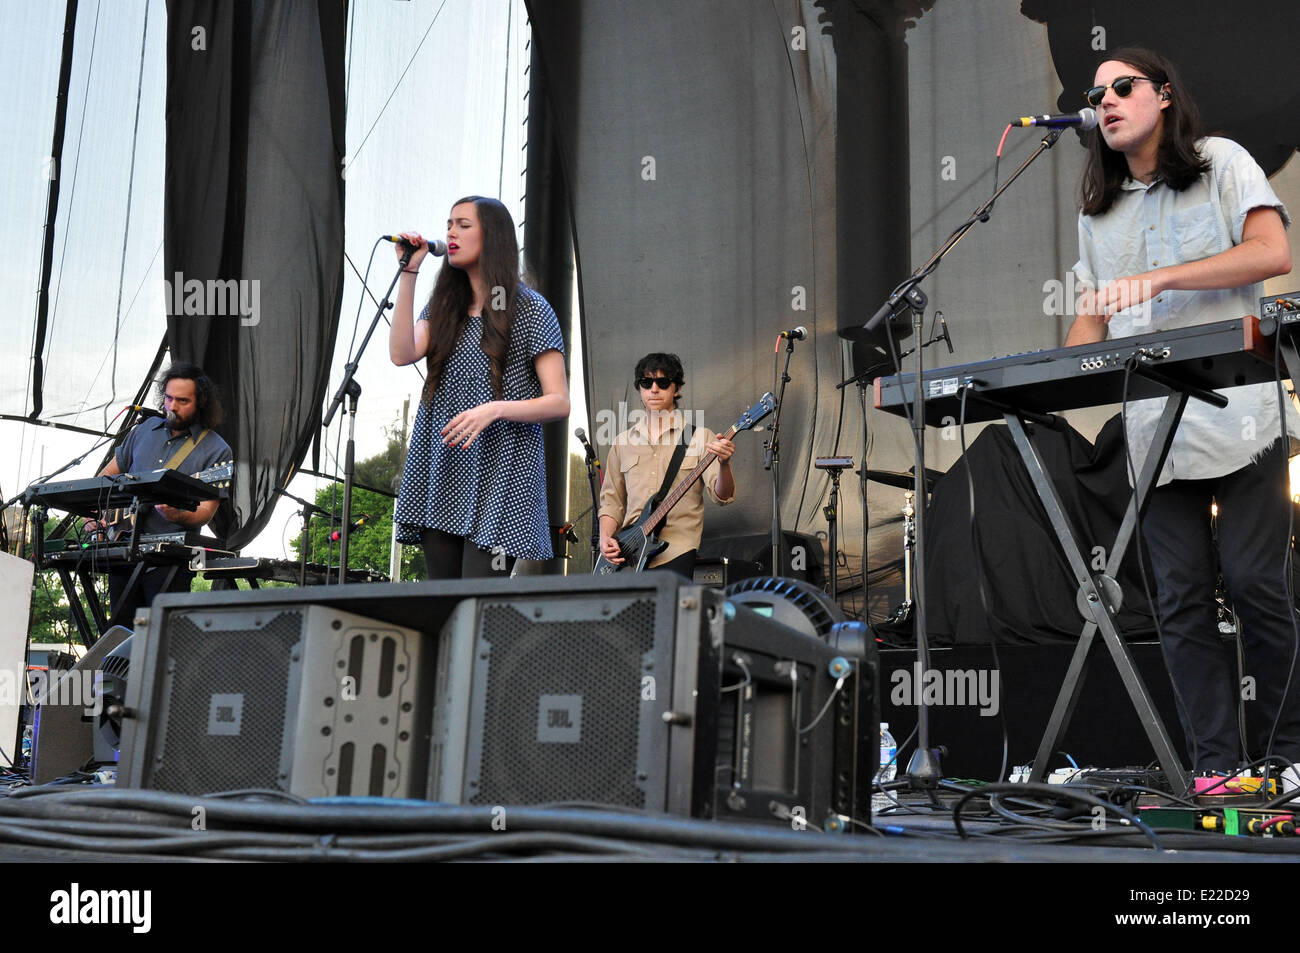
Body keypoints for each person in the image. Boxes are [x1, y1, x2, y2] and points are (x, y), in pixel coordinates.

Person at [1063, 48, 1299, 784]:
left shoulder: (1221, 162)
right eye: (1096, 93)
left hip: (1245, 420)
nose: (1106, 101)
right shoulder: (1095, 216)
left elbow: (1274, 251)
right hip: (1156, 438)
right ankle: (1216, 770)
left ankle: (1290, 759)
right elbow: (1087, 324)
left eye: (1122, 86)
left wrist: (1160, 278)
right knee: (1182, 603)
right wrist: (1053, 368)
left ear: (1163, 97)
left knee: (1258, 584)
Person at [390, 196, 570, 579]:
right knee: (441, 598)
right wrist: (409, 272)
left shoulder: (531, 308)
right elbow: (401, 353)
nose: (451, 232)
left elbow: (559, 402)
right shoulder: (443, 306)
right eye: (448, 224)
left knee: (477, 597)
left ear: (493, 237)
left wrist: (495, 408)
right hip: (444, 467)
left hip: (502, 472)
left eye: (463, 224)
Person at [84, 362, 232, 625]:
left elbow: (206, 512)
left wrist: (178, 514)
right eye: (168, 398)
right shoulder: (142, 431)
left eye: (183, 400)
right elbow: (104, 478)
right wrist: (92, 513)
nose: (172, 406)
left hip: (169, 562)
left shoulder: (217, 451)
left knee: (163, 640)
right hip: (122, 549)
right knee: (118, 637)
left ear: (201, 403)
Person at [598, 353, 735, 577]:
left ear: (676, 389)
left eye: (662, 383)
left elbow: (722, 496)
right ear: (639, 388)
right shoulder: (622, 442)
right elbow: (611, 501)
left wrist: (724, 464)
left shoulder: (700, 437)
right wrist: (605, 538)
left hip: (677, 552)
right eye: (646, 382)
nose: (654, 389)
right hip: (628, 556)